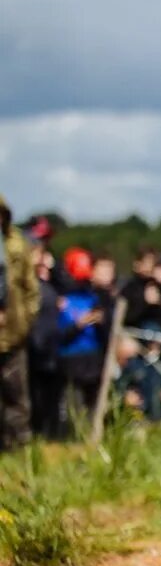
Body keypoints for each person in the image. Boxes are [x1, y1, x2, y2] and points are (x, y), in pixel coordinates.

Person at [0, 193, 42, 451]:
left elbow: (31, 290)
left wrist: (24, 321)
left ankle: (19, 452)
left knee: (16, 396)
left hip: (14, 335)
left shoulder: (17, 245)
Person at [57, 250, 113, 433]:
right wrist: (78, 325)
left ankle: (94, 438)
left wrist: (100, 321)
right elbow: (58, 335)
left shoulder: (94, 298)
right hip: (71, 361)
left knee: (94, 407)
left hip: (93, 359)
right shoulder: (62, 301)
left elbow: (108, 330)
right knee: (75, 408)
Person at [26, 234, 64, 439]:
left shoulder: (49, 284)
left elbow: (65, 286)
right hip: (32, 348)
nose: (41, 259)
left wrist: (53, 267)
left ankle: (48, 438)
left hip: (52, 350)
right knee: (34, 398)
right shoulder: (26, 286)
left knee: (51, 400)